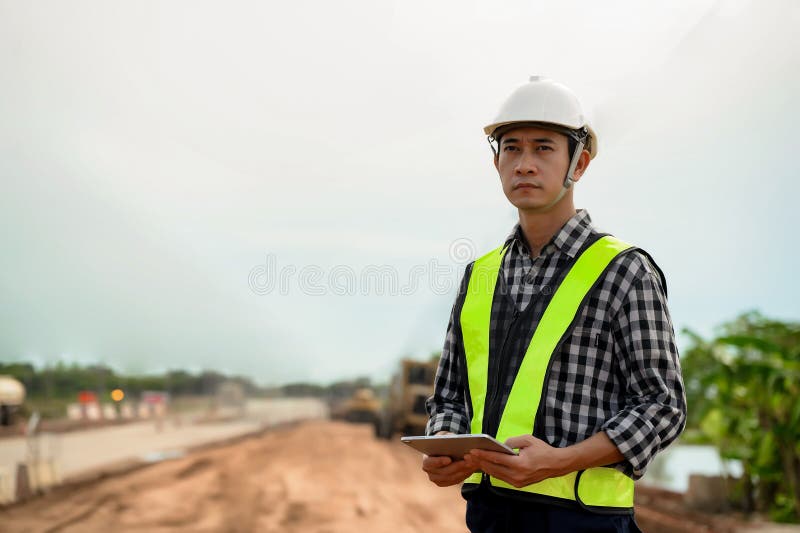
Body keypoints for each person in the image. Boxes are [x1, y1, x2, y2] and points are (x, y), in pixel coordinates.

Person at [422, 76, 686, 532]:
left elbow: (662, 406)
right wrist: (445, 442)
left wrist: (562, 461)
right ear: (496, 161)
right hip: (490, 516)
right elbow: (448, 394)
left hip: (585, 522)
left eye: (543, 148)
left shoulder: (623, 271)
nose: (524, 164)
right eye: (511, 148)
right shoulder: (480, 275)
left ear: (578, 164)